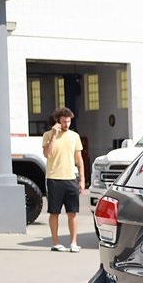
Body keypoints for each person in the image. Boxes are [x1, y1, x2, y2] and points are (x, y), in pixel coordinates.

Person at [42, 107, 85, 252]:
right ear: (57, 121)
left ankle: (73, 243)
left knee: (72, 212)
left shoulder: (74, 136)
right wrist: (53, 136)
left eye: (68, 121)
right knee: (54, 212)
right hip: (54, 178)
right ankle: (55, 243)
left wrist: (82, 179)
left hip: (71, 178)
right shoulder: (47, 135)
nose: (67, 124)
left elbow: (79, 159)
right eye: (64, 122)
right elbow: (48, 154)